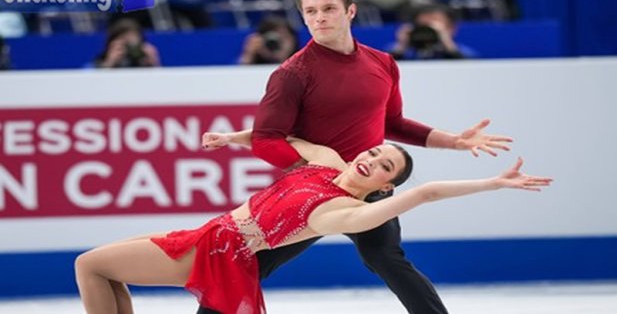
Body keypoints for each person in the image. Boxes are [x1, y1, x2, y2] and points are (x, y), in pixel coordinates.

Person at [200, 0, 510, 314]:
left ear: (350, 11)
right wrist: (316, 171)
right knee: (252, 264)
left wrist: (452, 141)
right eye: (311, 11)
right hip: (314, 191)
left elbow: (392, 123)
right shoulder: (292, 74)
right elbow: (265, 139)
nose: (319, 18)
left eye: (329, 8)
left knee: (387, 259)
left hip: (369, 184)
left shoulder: (383, 63)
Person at [75, 130, 552, 314]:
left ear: (385, 186)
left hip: (219, 254)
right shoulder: (323, 161)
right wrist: (231, 138)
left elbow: (425, 192)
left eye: (384, 166)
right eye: (374, 151)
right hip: (205, 233)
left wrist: (495, 183)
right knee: (107, 271)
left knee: (90, 265)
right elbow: (283, 136)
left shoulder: (346, 211)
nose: (371, 160)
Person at [388, 4, 479, 60]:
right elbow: (383, 69)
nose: (429, 30)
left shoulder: (463, 52)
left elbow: (471, 70)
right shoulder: (402, 51)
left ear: (451, 28)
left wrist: (448, 46)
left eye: (434, 25)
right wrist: (401, 47)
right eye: (423, 26)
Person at [91, 18, 161, 68]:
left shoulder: (144, 60)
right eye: (124, 43)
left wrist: (154, 63)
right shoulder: (100, 60)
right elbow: (91, 81)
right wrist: (110, 62)